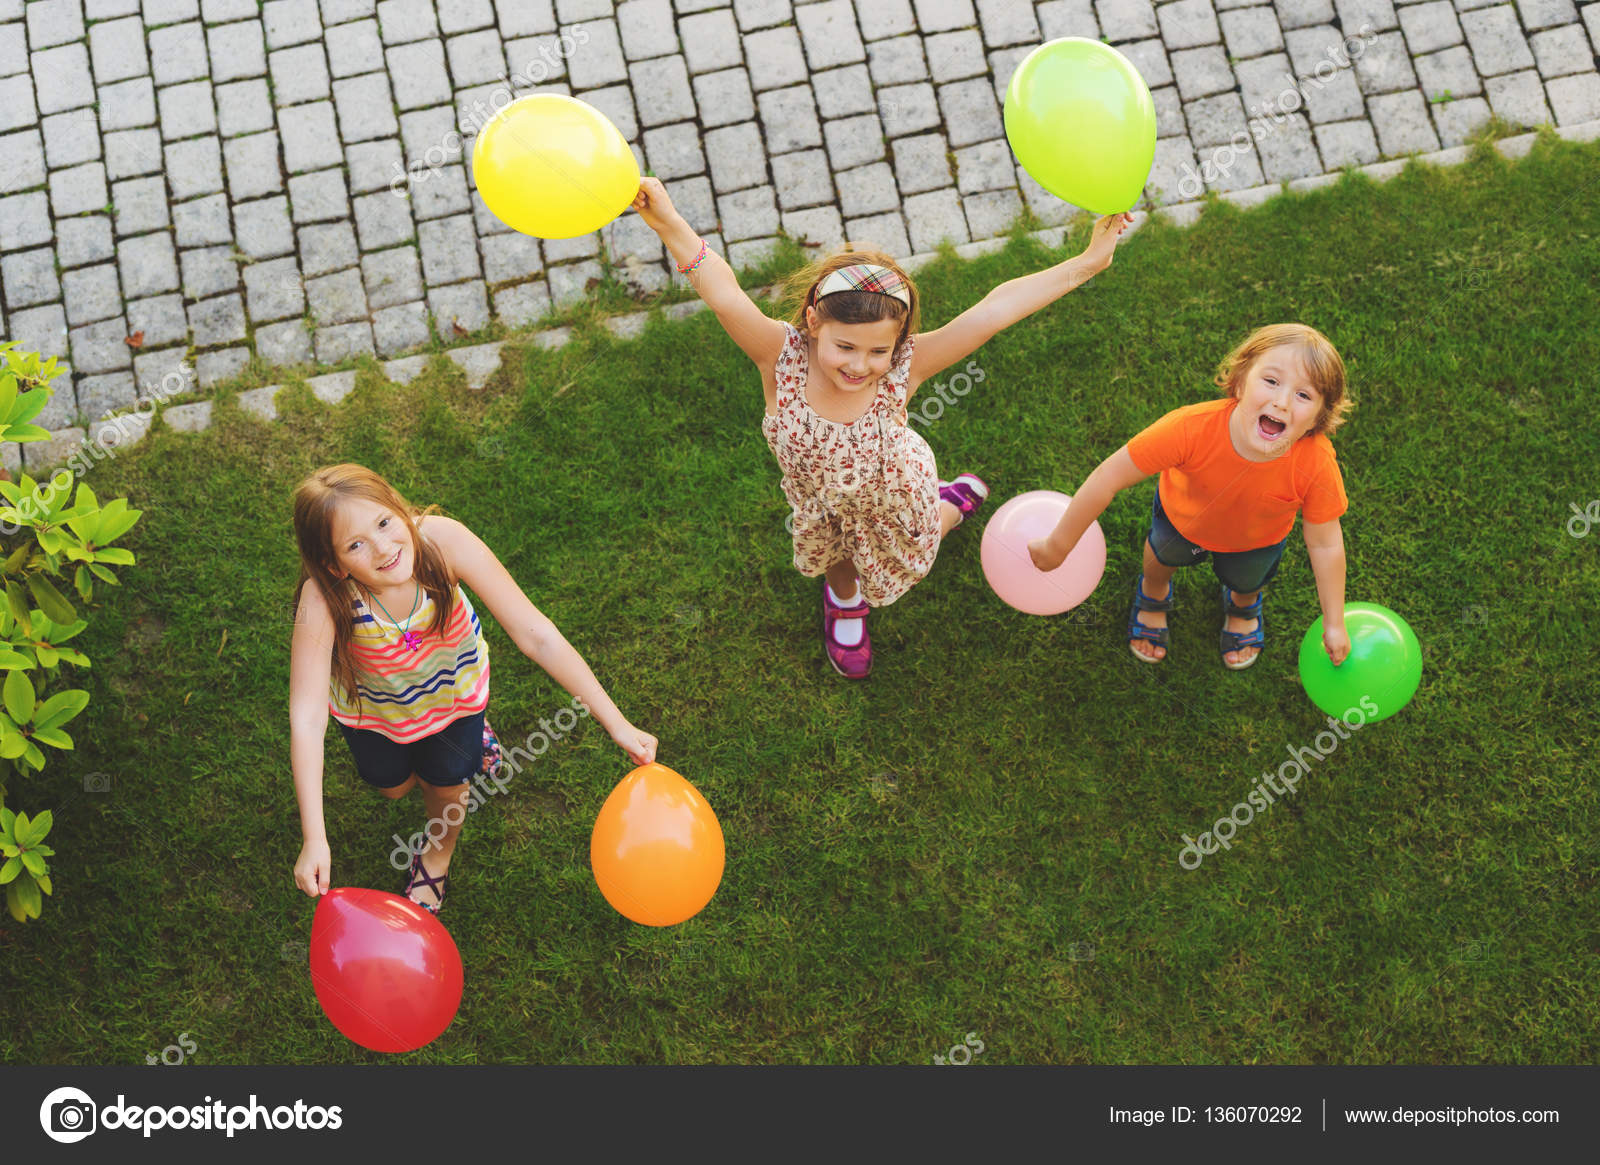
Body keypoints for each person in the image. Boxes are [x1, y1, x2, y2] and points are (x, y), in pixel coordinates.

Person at [631, 176, 1131, 677]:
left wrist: (1088, 262)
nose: (859, 365)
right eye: (844, 347)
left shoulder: (904, 368)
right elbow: (723, 295)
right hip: (820, 504)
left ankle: (944, 508)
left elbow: (993, 312)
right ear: (812, 323)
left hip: (895, 495)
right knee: (837, 556)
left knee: (917, 539)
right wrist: (670, 224)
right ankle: (845, 602)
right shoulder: (779, 358)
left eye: (877, 350)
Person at [288, 464, 657, 912]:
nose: (384, 548)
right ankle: (448, 761)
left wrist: (616, 723)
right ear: (334, 564)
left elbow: (536, 634)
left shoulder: (443, 544)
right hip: (376, 716)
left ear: (399, 508)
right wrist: (314, 837)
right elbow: (308, 716)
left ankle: (437, 855)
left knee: (445, 789)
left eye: (384, 522)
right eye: (355, 545)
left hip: (453, 701)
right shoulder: (323, 598)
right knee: (395, 788)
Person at [1029, 324, 1353, 669]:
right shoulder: (1189, 429)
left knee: (1247, 580)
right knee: (1161, 558)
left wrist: (1334, 621)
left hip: (1256, 543)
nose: (1282, 401)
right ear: (1240, 381)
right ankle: (1153, 593)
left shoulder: (1315, 462)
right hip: (1180, 523)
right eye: (1271, 381)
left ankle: (1243, 605)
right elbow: (1107, 478)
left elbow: (1325, 543)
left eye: (1304, 396)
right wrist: (1059, 544)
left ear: (1320, 416)